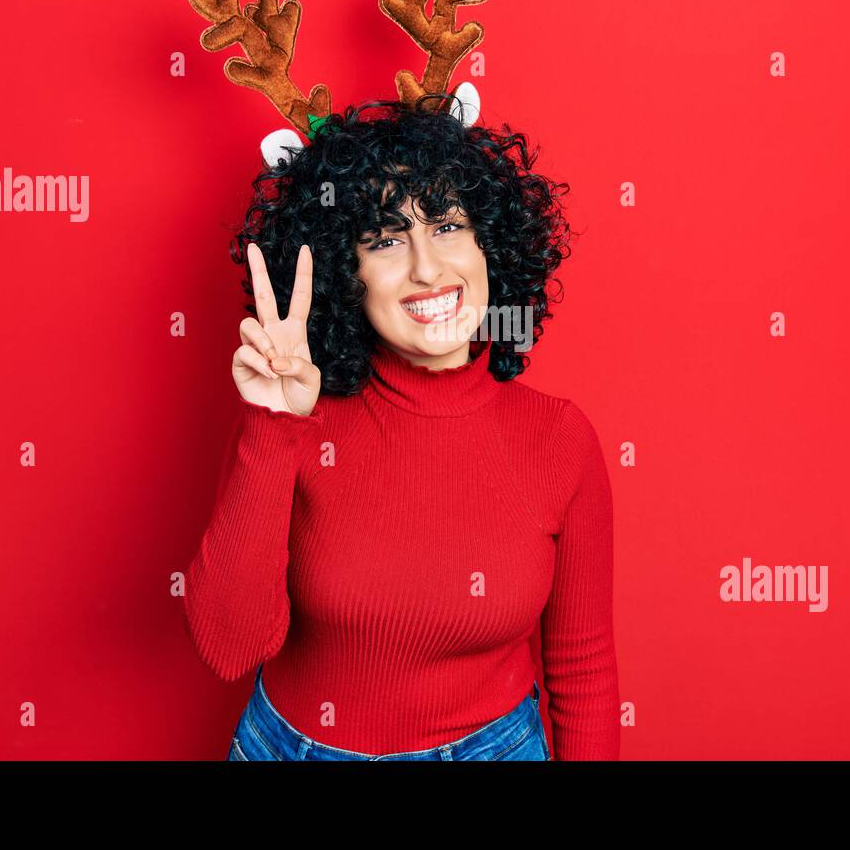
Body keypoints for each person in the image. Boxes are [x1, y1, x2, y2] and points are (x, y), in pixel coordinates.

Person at [182, 96, 619, 760]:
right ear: (343, 272)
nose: (425, 267)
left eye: (447, 227)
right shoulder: (295, 420)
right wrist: (271, 426)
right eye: (384, 240)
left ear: (489, 244)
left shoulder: (559, 438)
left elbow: (583, 672)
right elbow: (228, 648)